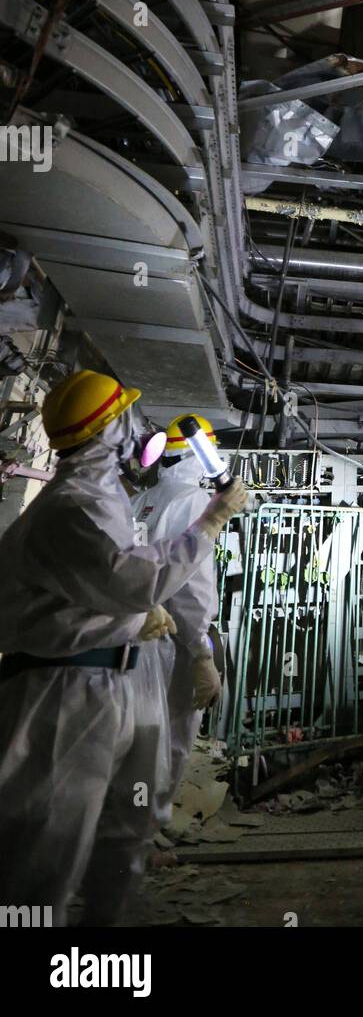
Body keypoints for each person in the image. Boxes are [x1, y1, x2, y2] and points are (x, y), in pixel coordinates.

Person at [0, 370, 246, 926]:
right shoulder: (75, 503)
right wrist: (213, 520)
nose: (139, 427)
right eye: (128, 415)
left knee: (107, 825)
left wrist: (134, 616)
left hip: (105, 677)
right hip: (63, 688)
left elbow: (109, 582)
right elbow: (133, 578)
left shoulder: (109, 497)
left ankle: (98, 940)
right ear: (109, 428)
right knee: (46, 845)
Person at [131, 414, 221, 823]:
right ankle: (148, 829)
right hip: (174, 642)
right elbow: (193, 587)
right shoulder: (195, 502)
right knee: (172, 738)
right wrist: (201, 652)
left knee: (138, 735)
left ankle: (131, 819)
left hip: (134, 635)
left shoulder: (139, 501)